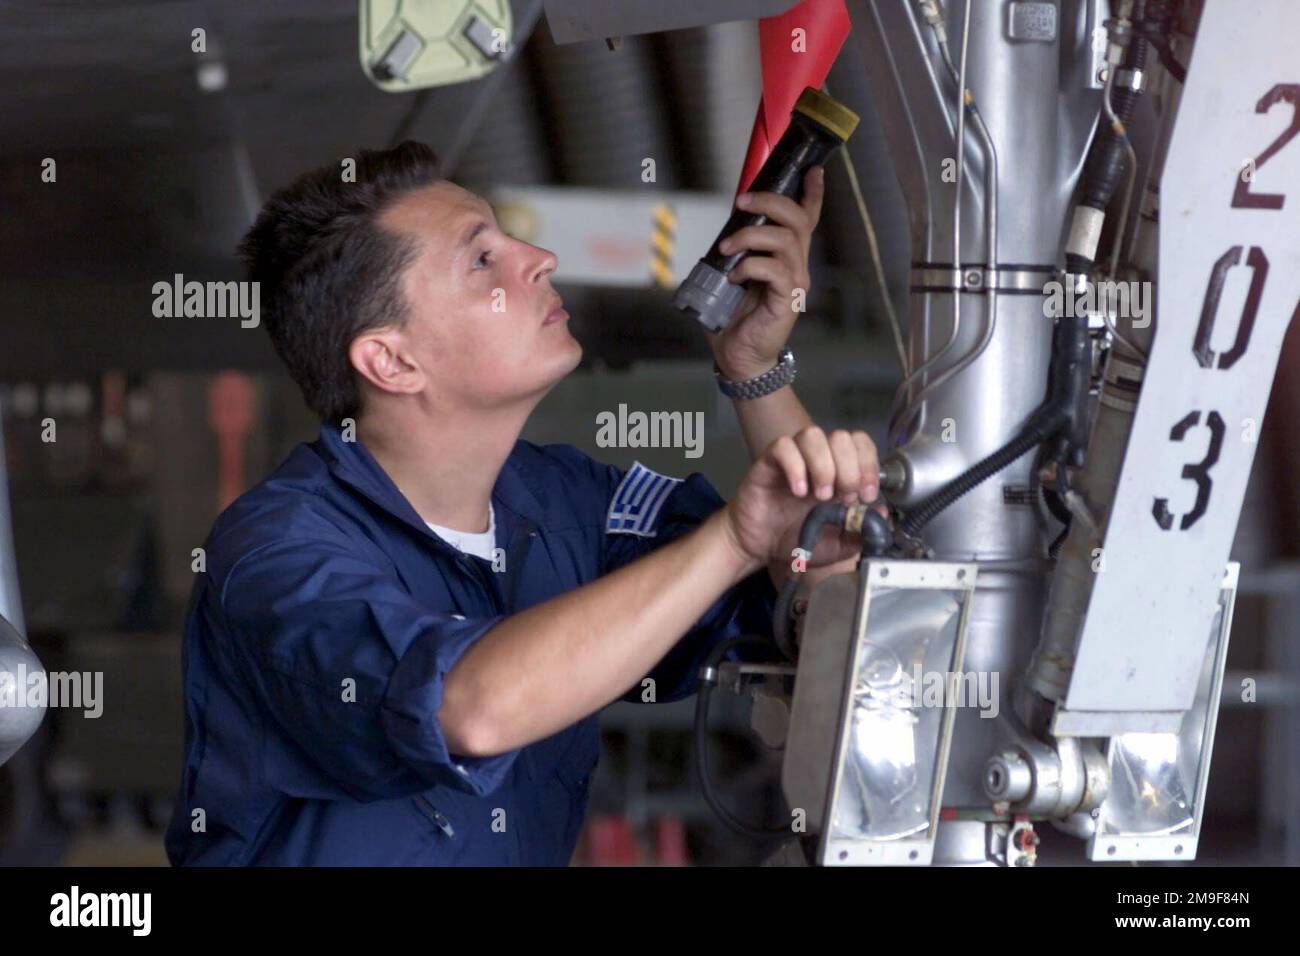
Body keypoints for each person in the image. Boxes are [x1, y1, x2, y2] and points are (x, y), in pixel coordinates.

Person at [165, 141, 881, 865]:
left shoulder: (565, 502)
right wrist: (730, 541)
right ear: (392, 361)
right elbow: (469, 710)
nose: (538, 257)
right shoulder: (275, 555)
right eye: (481, 261)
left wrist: (753, 370)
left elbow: (806, 580)